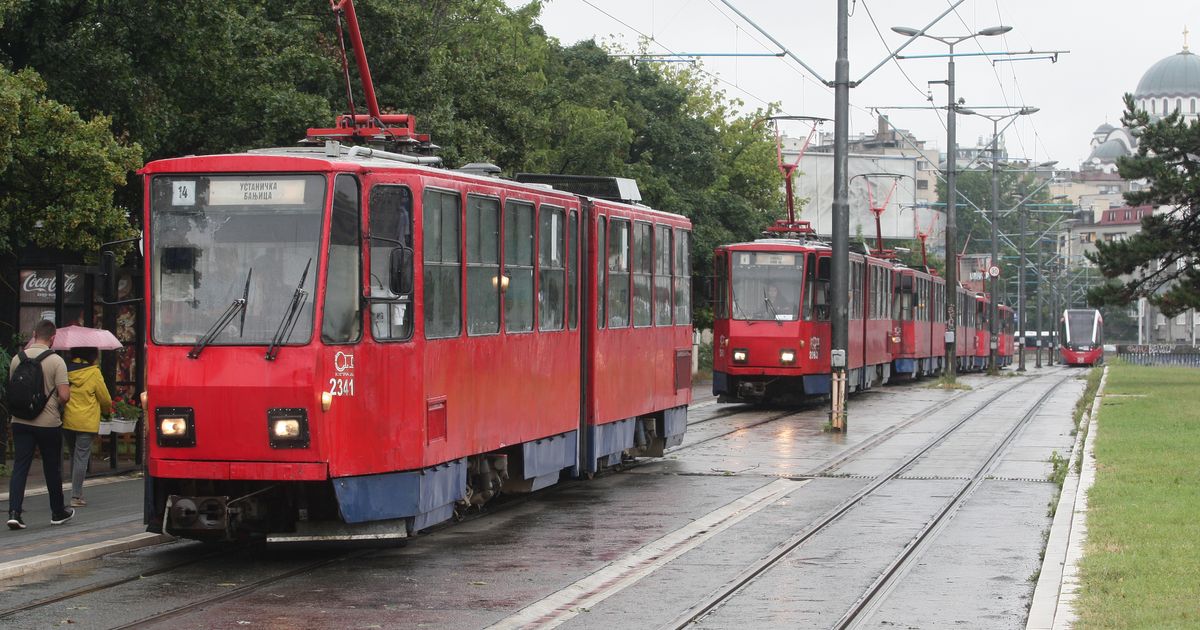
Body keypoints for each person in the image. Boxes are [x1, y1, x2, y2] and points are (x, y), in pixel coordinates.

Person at [7, 319, 75, 529]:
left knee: (20, 466)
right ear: (53, 338)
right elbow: (64, 395)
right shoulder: (56, 361)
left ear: (34, 334)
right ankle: (57, 511)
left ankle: (14, 513)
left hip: (20, 420)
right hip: (47, 422)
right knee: (52, 467)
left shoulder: (17, 359)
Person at [62, 347, 112, 508]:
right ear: (92, 355)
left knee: (74, 456)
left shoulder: (65, 370)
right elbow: (105, 399)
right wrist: (106, 413)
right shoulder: (93, 372)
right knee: (81, 458)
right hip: (86, 421)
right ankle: (76, 496)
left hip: (68, 420)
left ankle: (74, 491)